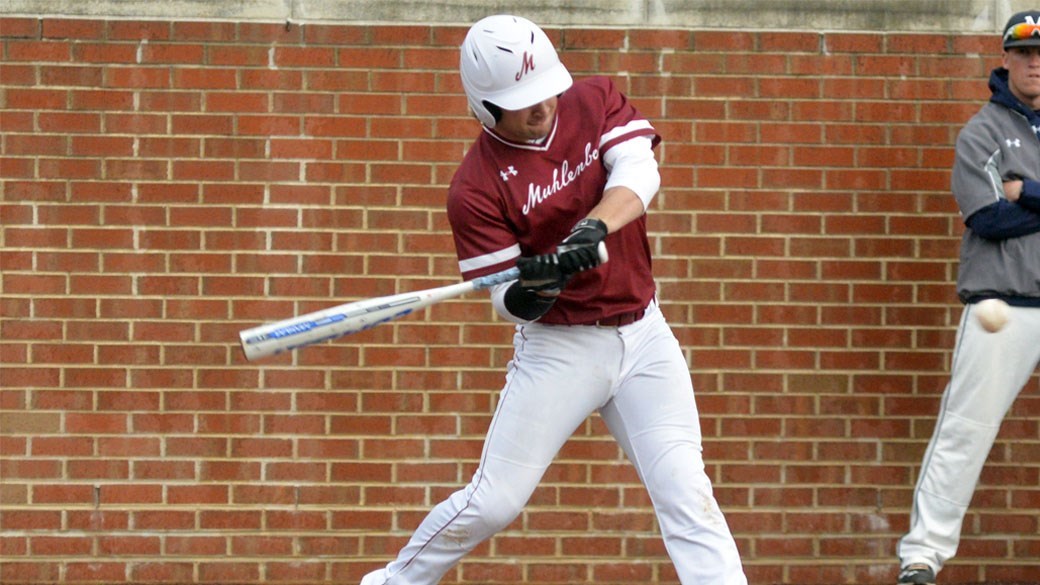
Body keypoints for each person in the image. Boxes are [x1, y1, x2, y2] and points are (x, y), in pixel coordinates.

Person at [359, 14, 747, 585]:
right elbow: (505, 299)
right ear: (485, 107)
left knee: (688, 491)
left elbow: (640, 172)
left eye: (545, 91)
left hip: (644, 335)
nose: (542, 107)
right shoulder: (474, 187)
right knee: (495, 503)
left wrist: (591, 229)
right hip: (559, 350)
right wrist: (537, 288)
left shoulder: (594, 100)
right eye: (522, 100)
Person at [895, 9, 1040, 585]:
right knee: (964, 432)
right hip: (1001, 305)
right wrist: (1015, 203)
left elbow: (1012, 204)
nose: (1035, 63)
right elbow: (988, 216)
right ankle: (921, 557)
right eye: (1024, 52)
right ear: (1005, 58)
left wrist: (1026, 189)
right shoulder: (982, 129)